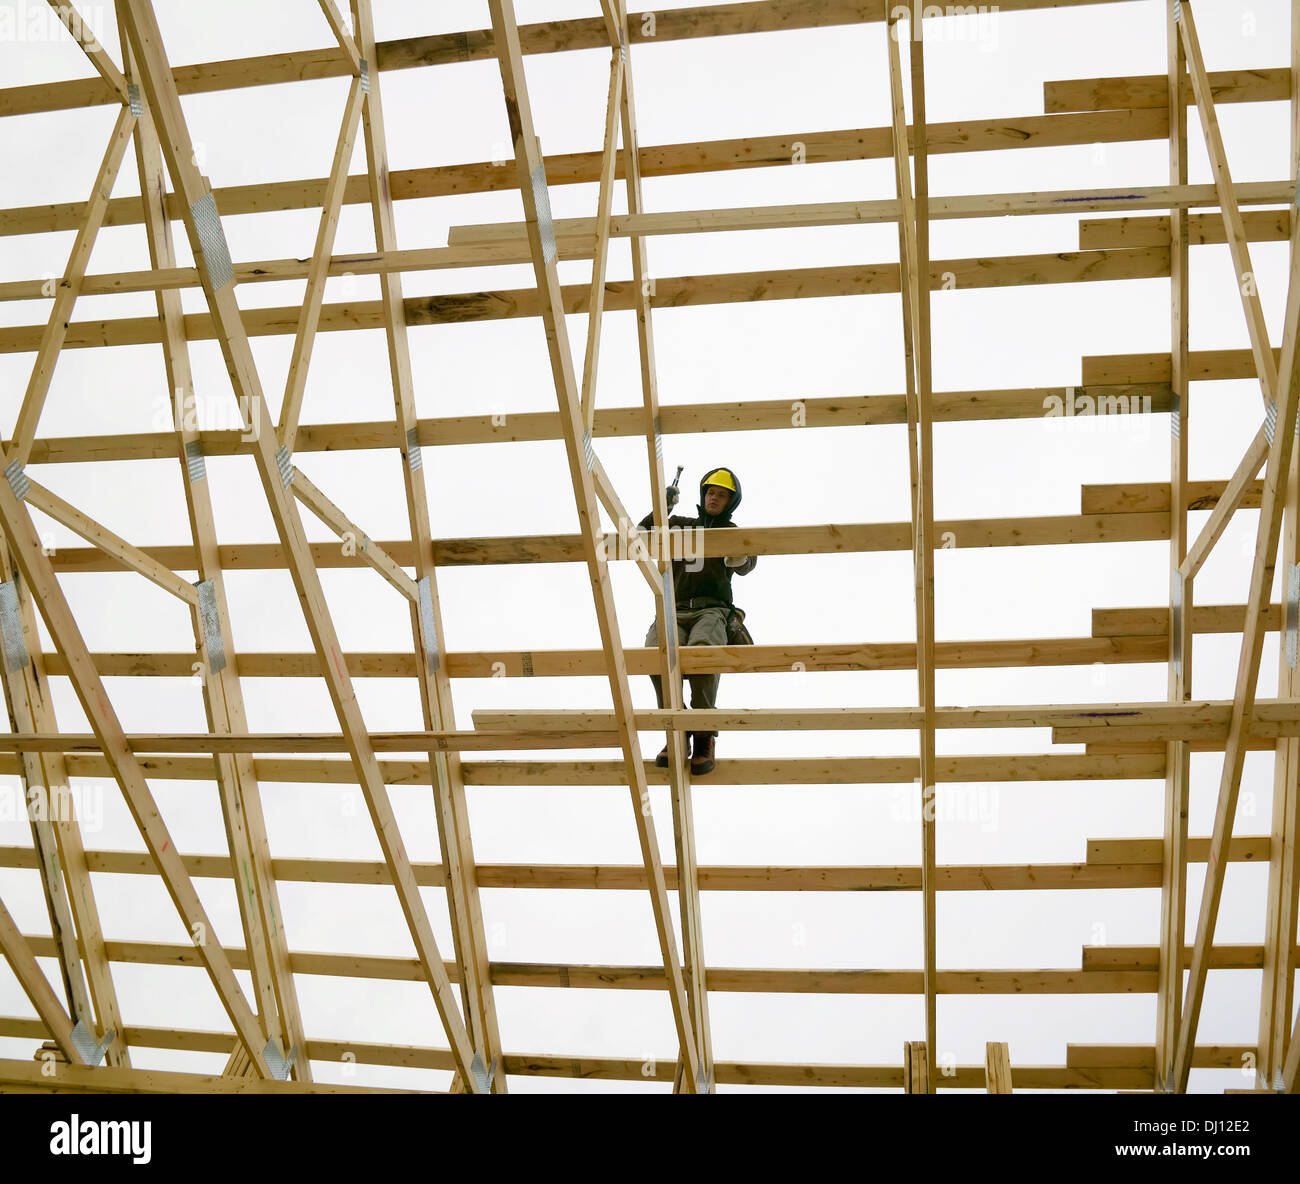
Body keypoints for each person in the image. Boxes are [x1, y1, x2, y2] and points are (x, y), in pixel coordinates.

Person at [638, 467, 756, 775]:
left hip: (711, 609)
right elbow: (638, 538)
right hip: (673, 608)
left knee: (703, 653)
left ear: (731, 502)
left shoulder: (729, 531)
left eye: (721, 495)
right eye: (710, 492)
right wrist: (660, 511)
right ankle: (676, 730)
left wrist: (738, 555)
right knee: (656, 656)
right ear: (703, 495)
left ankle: (704, 734)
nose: (714, 498)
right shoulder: (678, 526)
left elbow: (748, 561)